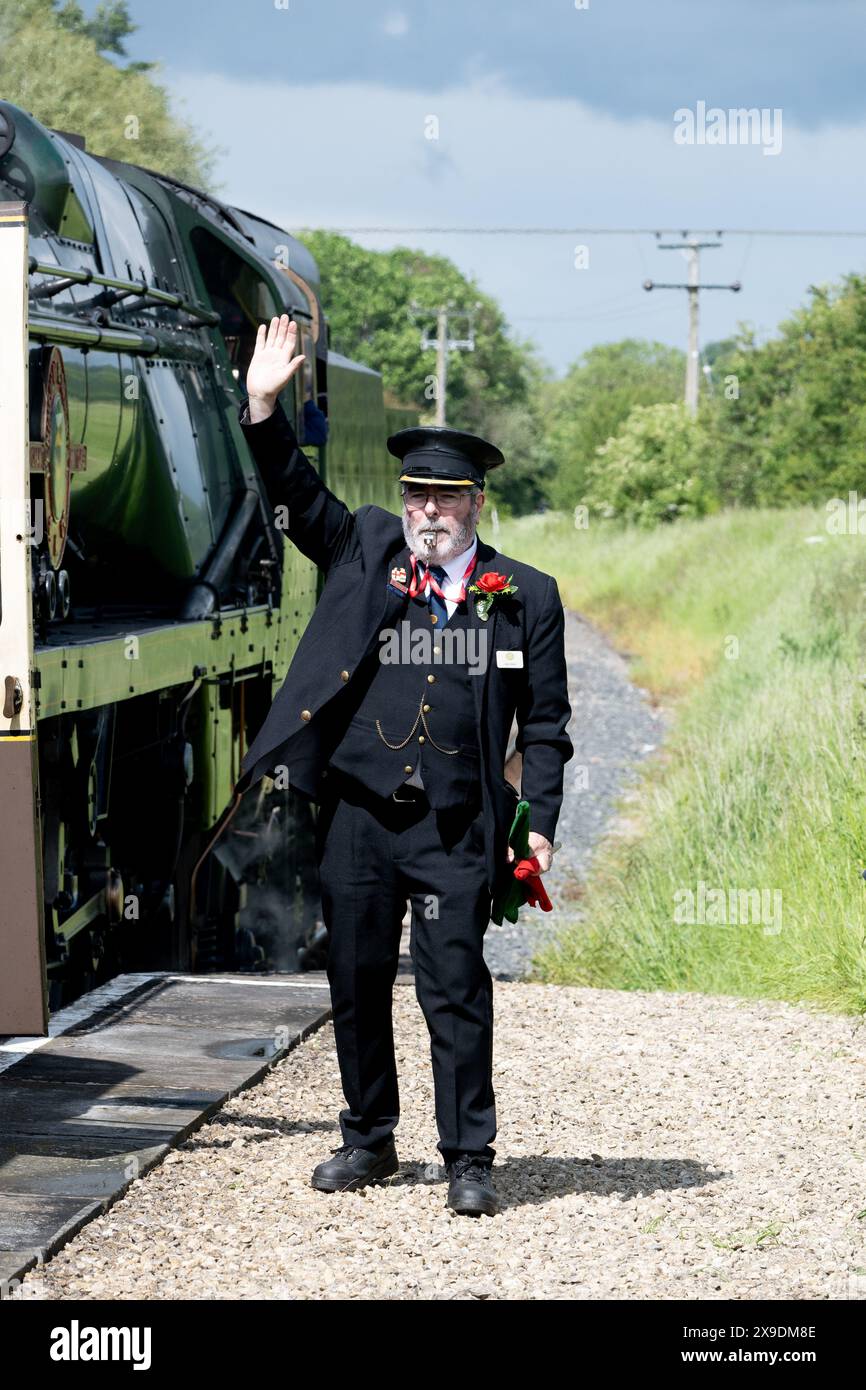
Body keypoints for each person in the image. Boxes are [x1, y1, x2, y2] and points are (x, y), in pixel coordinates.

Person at [234, 315, 573, 1217]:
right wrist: (263, 406)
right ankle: (369, 1139)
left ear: (476, 504)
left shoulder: (524, 596)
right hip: (357, 815)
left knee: (455, 983)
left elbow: (547, 725)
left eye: (447, 496)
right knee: (353, 976)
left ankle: (469, 1155)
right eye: (417, 493)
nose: (428, 509)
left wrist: (536, 816)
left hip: (455, 820)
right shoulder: (367, 551)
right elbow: (300, 496)